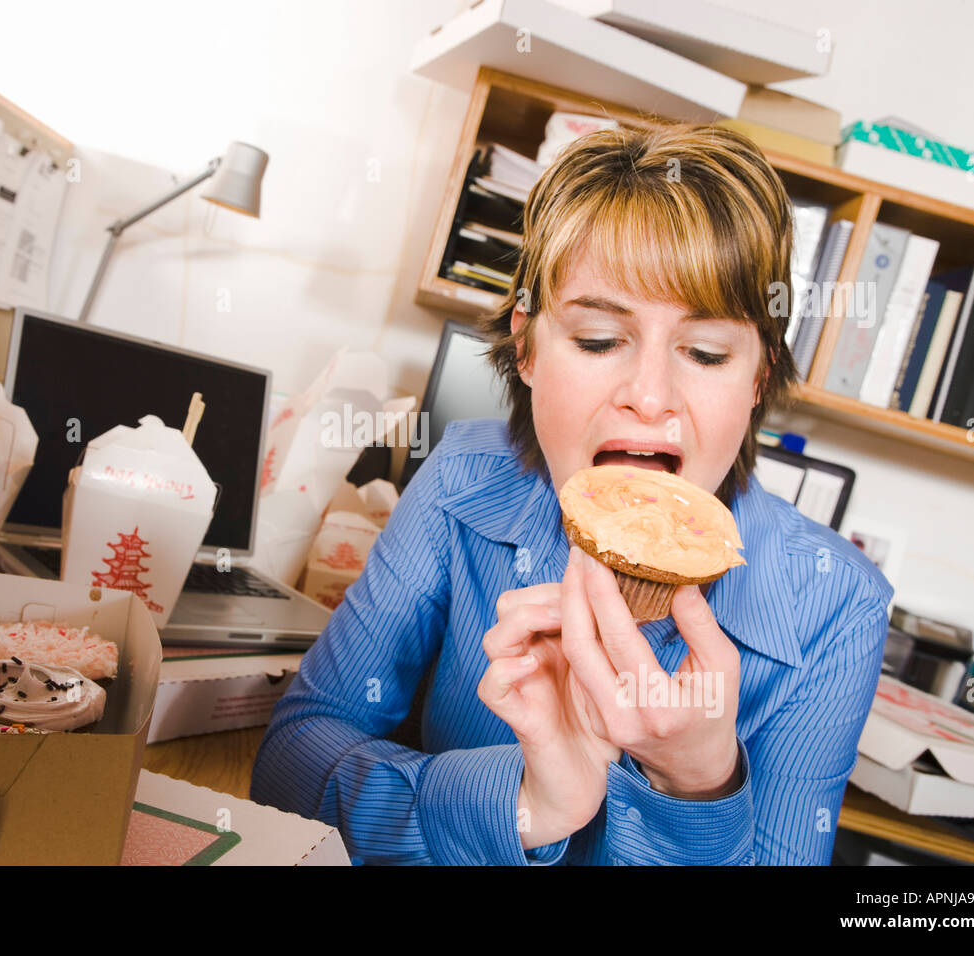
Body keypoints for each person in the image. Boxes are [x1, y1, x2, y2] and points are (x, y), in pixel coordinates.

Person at [249, 124, 893, 865]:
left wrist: (697, 784)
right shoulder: (462, 477)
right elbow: (295, 758)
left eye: (707, 352)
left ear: (756, 379)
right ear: (526, 347)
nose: (650, 398)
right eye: (596, 341)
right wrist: (525, 803)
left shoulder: (840, 606)